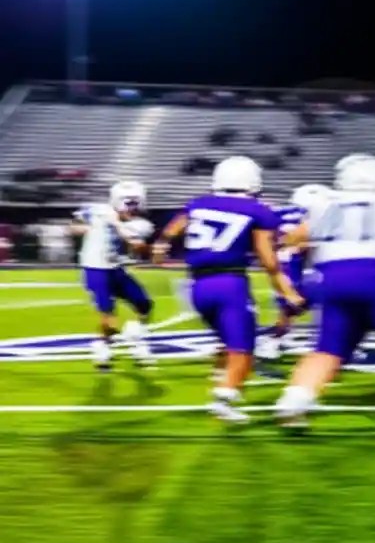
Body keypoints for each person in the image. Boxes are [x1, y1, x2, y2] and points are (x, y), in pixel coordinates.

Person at [272, 154, 375, 428]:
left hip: (330, 277)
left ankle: (293, 402)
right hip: (373, 274)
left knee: (327, 348)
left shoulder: (322, 201)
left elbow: (294, 238)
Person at [153, 157, 302, 422]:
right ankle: (225, 397)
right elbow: (269, 262)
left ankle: (220, 377)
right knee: (243, 348)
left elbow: (172, 229)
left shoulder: (198, 204)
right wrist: (287, 291)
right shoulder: (258, 210)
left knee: (227, 339)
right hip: (229, 284)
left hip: (196, 286)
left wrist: (161, 247)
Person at [71, 180, 156, 370]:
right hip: (95, 267)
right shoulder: (100, 211)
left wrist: (127, 234)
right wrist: (86, 229)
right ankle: (102, 348)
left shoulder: (140, 224)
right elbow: (74, 225)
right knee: (108, 314)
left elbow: (138, 245)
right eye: (130, 203)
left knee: (144, 304)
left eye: (136, 203)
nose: (133, 208)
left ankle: (136, 335)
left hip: (116, 268)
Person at [258, 183, 331, 362]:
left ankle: (275, 339)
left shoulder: (282, 213)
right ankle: (272, 340)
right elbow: (300, 243)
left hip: (286, 262)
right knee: (298, 304)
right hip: (295, 262)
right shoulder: (309, 216)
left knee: (299, 304)